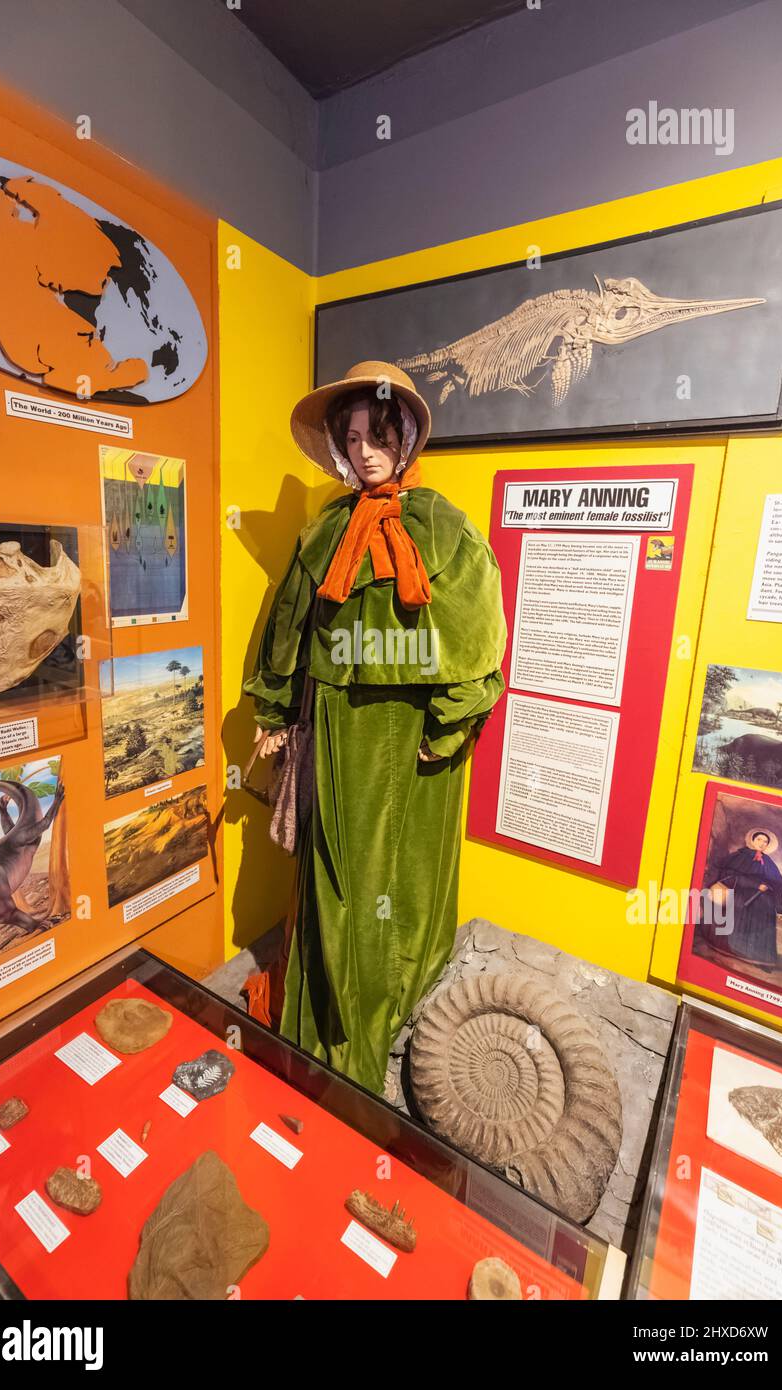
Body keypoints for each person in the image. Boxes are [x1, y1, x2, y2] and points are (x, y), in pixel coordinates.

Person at [243, 360, 507, 1094]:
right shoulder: (326, 528)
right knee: (336, 879)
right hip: (335, 725)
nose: (364, 451)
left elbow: (480, 640)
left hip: (411, 735)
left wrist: (449, 726)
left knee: (403, 881)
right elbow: (289, 623)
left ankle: (387, 1014)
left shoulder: (447, 529)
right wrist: (273, 709)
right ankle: (333, 1035)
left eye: (377, 434)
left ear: (408, 435)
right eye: (351, 437)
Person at [710, 828, 782, 968]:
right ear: (752, 840)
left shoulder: (769, 863)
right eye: (759, 840)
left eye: (765, 841)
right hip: (741, 898)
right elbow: (730, 876)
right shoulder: (739, 856)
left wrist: (779, 909)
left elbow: (778, 886)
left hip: (764, 905)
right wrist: (756, 884)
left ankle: (756, 957)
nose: (762, 843)